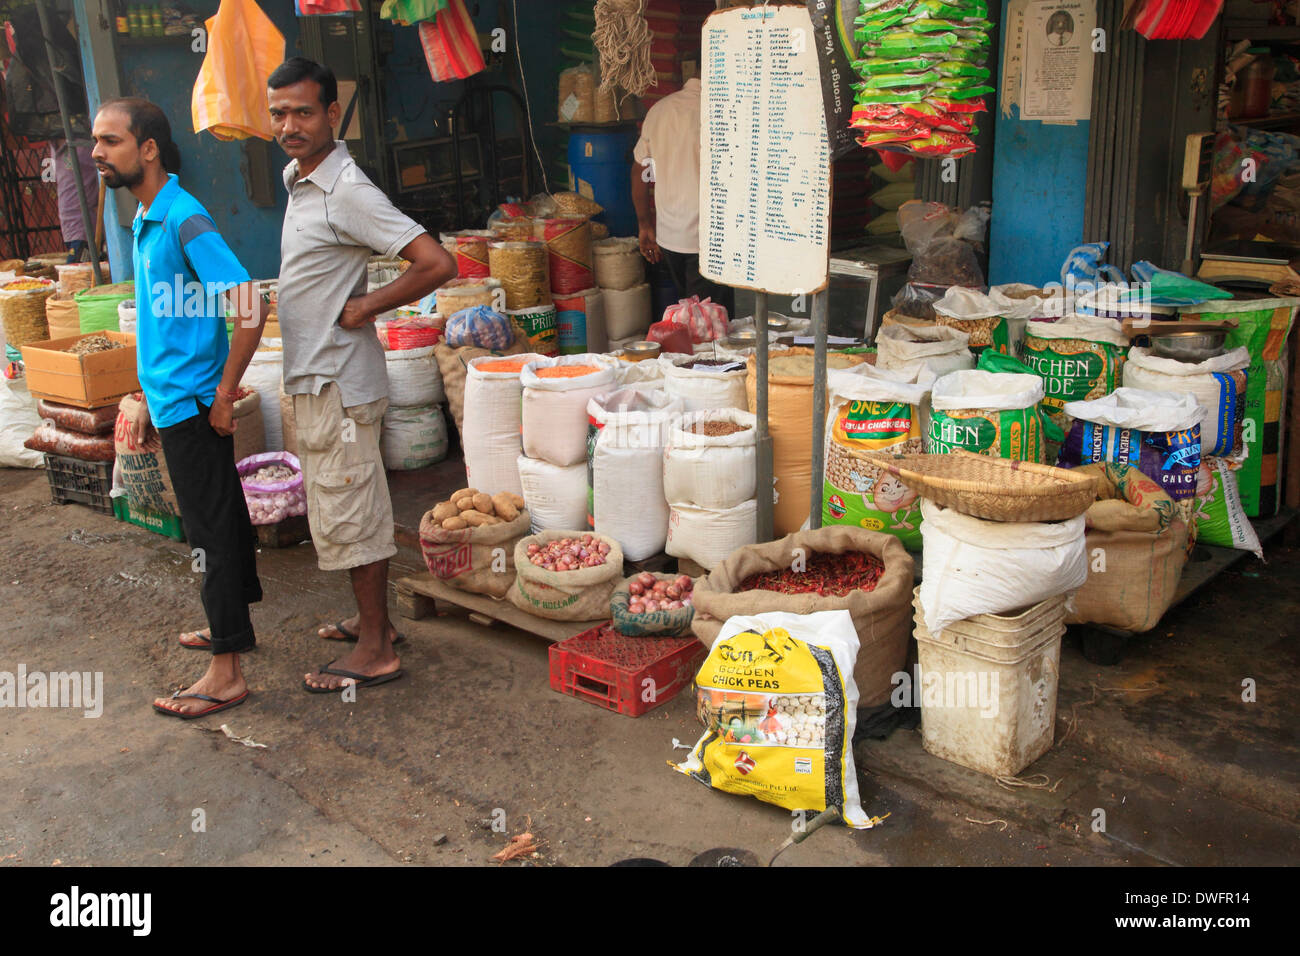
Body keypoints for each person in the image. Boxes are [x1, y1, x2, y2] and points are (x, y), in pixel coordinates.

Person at [266, 57, 455, 693]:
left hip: (340, 385)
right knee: (342, 503)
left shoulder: (346, 189)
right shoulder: (300, 179)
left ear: (329, 114)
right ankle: (370, 622)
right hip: (320, 379)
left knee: (354, 509)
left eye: (301, 112)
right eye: (279, 114)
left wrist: (369, 305)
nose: (289, 125)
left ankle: (376, 648)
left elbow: (435, 262)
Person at [90, 97, 266, 718]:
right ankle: (232, 626)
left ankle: (227, 670)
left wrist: (222, 395)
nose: (96, 153)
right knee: (214, 519)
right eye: (96, 141)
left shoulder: (185, 218)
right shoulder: (147, 218)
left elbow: (248, 302)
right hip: (172, 400)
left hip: (193, 404)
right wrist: (141, 395)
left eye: (109, 141)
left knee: (210, 530)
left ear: (148, 149)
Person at [630, 75, 734, 321]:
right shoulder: (723, 112)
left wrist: (645, 224)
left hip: (670, 238)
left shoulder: (659, 110)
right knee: (710, 325)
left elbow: (640, 170)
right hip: (709, 241)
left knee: (690, 315)